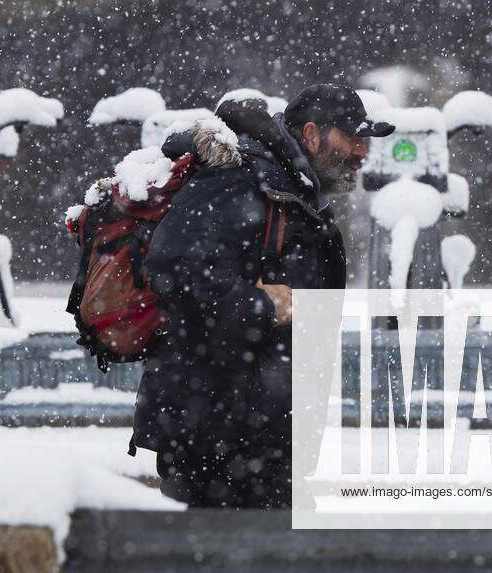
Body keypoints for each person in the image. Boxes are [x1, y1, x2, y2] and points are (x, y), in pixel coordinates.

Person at [130, 84, 395, 508]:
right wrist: (262, 305)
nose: (363, 152)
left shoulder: (295, 192)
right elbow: (173, 270)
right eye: (353, 138)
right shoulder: (242, 180)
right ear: (312, 134)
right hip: (215, 433)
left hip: (260, 431)